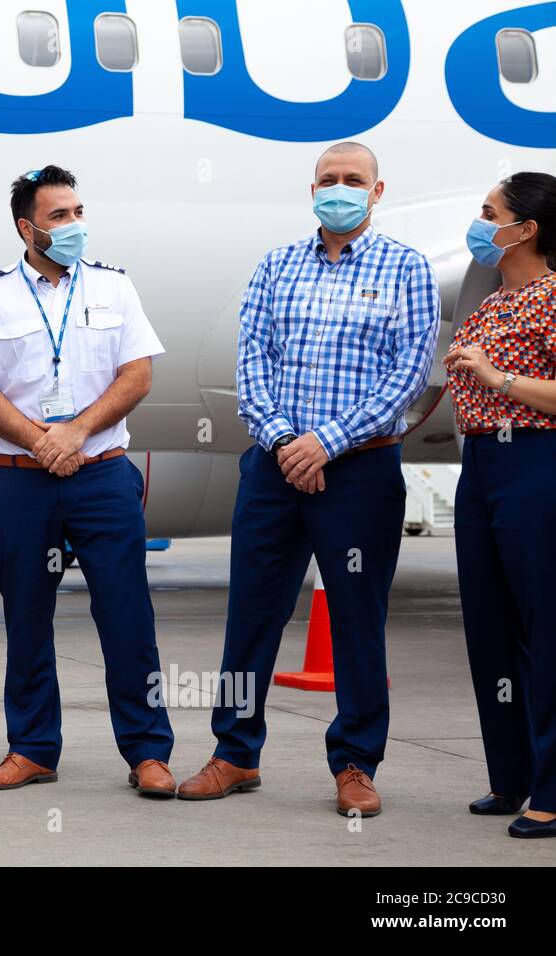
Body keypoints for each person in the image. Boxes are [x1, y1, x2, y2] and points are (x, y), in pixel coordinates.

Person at [178, 143, 439, 816]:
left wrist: (330, 441)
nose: (340, 189)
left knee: (358, 620)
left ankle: (355, 763)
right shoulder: (277, 265)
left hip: (360, 468)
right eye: (329, 180)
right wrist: (288, 440)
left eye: (354, 181)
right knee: (251, 616)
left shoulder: (406, 268)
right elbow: (253, 360)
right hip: (274, 464)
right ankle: (234, 754)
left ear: (377, 192)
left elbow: (408, 374)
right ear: (312, 189)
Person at [0, 165, 174, 794]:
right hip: (20, 482)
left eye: (78, 212)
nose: (75, 225)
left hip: (101, 476)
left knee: (128, 615)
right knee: (26, 618)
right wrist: (41, 441)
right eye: (59, 216)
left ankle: (148, 752)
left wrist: (75, 433)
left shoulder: (114, 289)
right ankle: (31, 750)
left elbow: (137, 375)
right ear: (28, 228)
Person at [445, 171, 556, 838]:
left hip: (536, 460)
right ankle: (509, 773)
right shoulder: (490, 303)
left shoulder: (551, 300)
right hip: (482, 463)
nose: (481, 223)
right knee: (489, 626)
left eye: (490, 213)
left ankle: (552, 786)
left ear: (526, 228)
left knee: (544, 624)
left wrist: (496, 376)